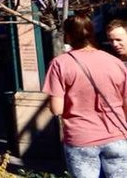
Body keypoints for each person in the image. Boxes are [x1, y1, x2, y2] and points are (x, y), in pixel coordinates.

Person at [43, 13, 127, 178]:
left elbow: (56, 109)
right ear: (92, 33)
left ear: (68, 35)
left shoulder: (60, 64)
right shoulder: (115, 62)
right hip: (117, 135)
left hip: (81, 138)